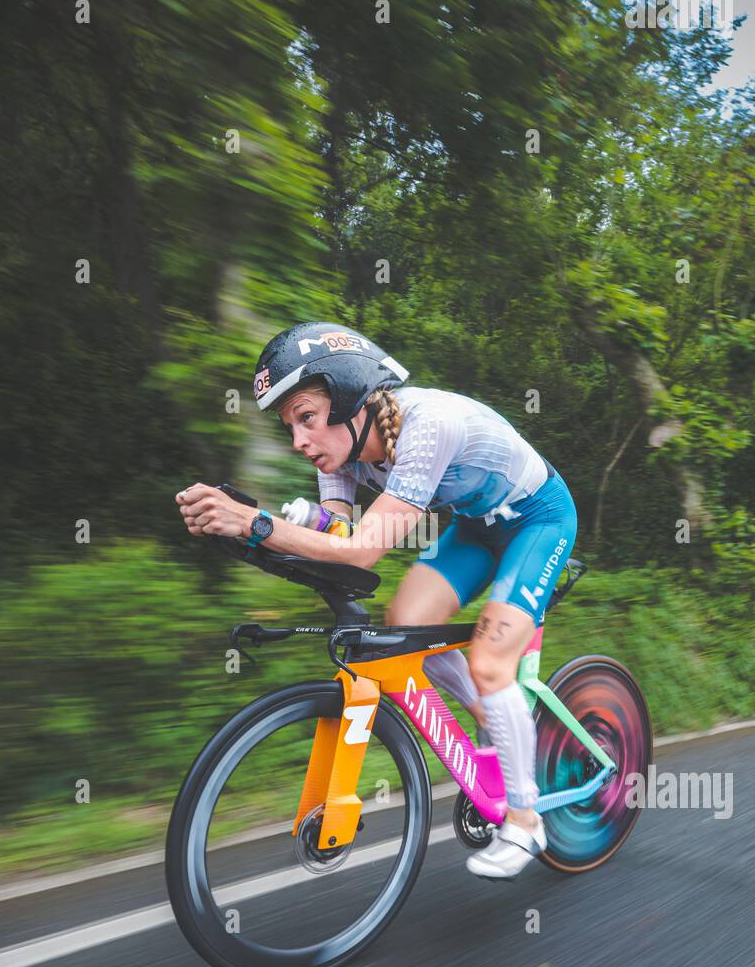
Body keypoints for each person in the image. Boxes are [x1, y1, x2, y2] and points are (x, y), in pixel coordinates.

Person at [176, 321, 578, 880]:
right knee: (406, 625)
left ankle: (526, 820)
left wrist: (255, 521)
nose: (298, 441)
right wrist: (250, 528)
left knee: (489, 662)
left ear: (346, 397)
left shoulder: (426, 427)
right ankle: (497, 719)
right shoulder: (339, 461)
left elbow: (364, 552)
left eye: (307, 417)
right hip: (476, 528)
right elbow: (336, 541)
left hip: (538, 518)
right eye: (290, 425)